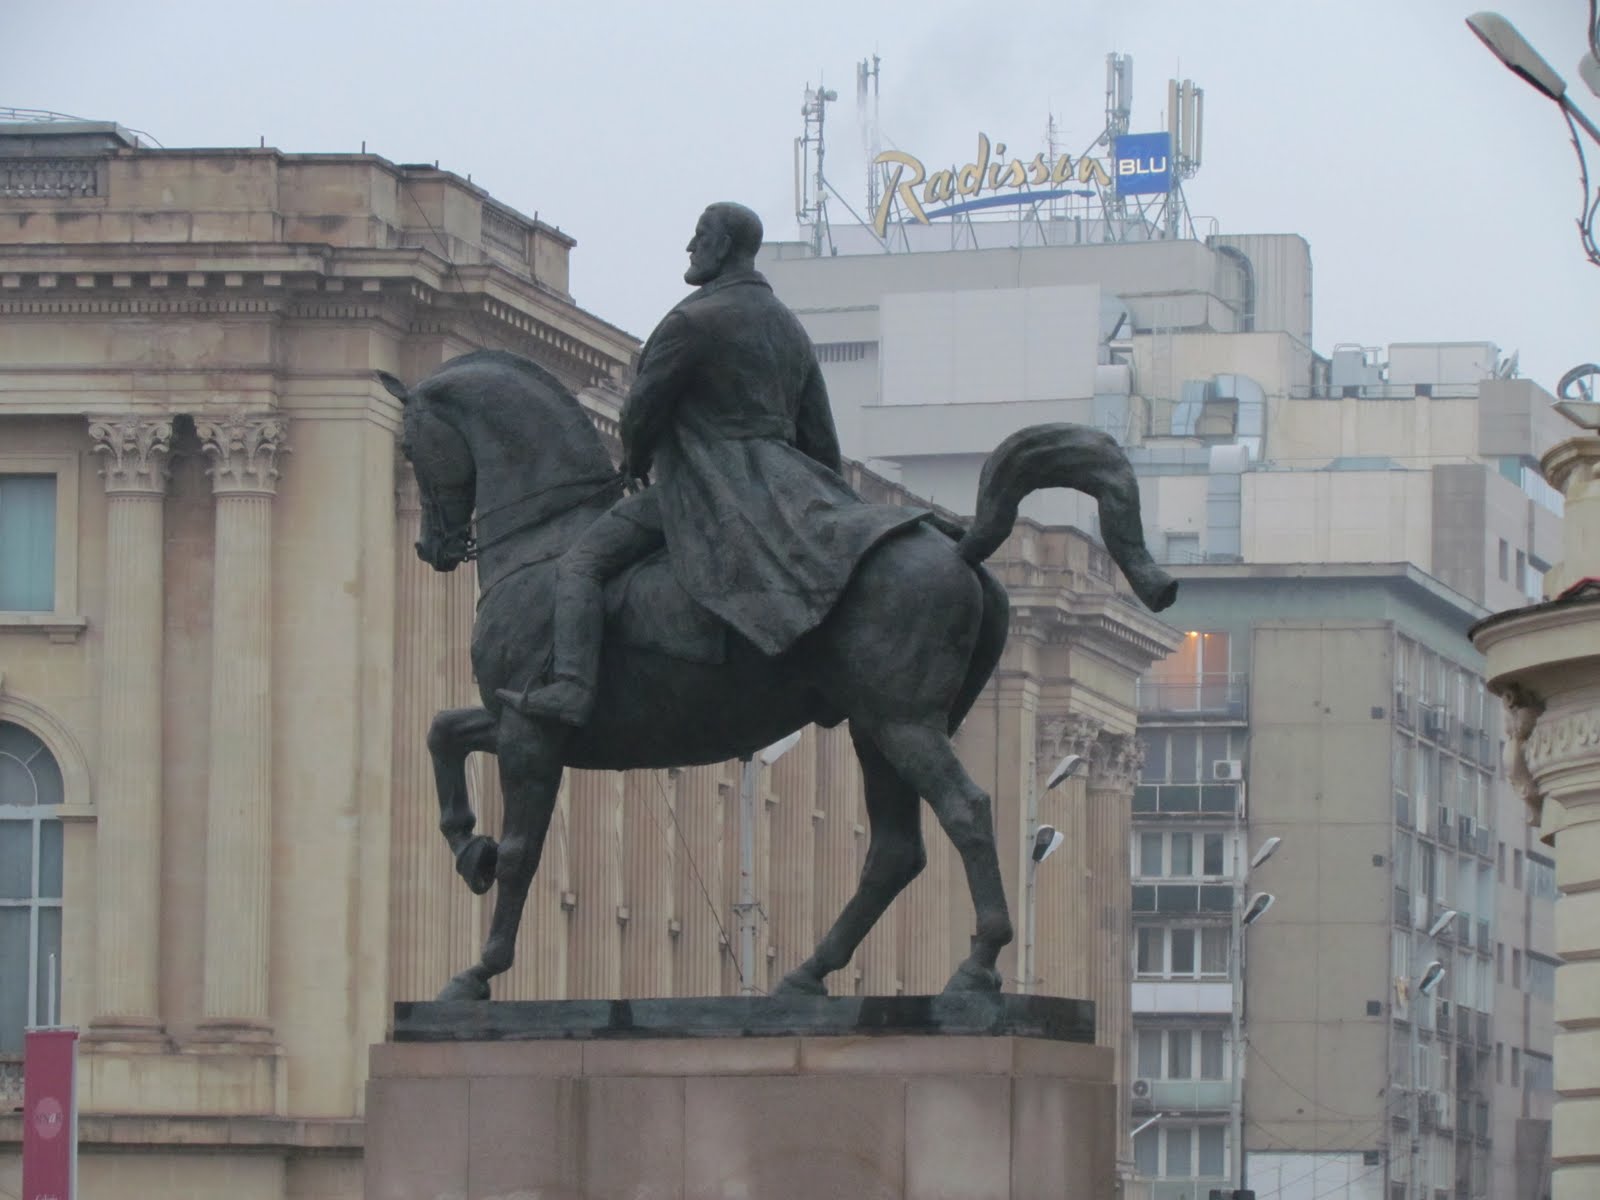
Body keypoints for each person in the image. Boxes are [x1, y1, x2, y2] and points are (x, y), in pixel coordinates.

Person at [498, 201, 923, 725]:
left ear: (720, 247)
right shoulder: (790, 330)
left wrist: (633, 460)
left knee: (581, 565)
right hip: (787, 489)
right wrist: (814, 498)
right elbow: (821, 440)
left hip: (704, 488)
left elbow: (642, 409)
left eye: (699, 236)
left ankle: (570, 687)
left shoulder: (692, 321)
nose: (690, 247)